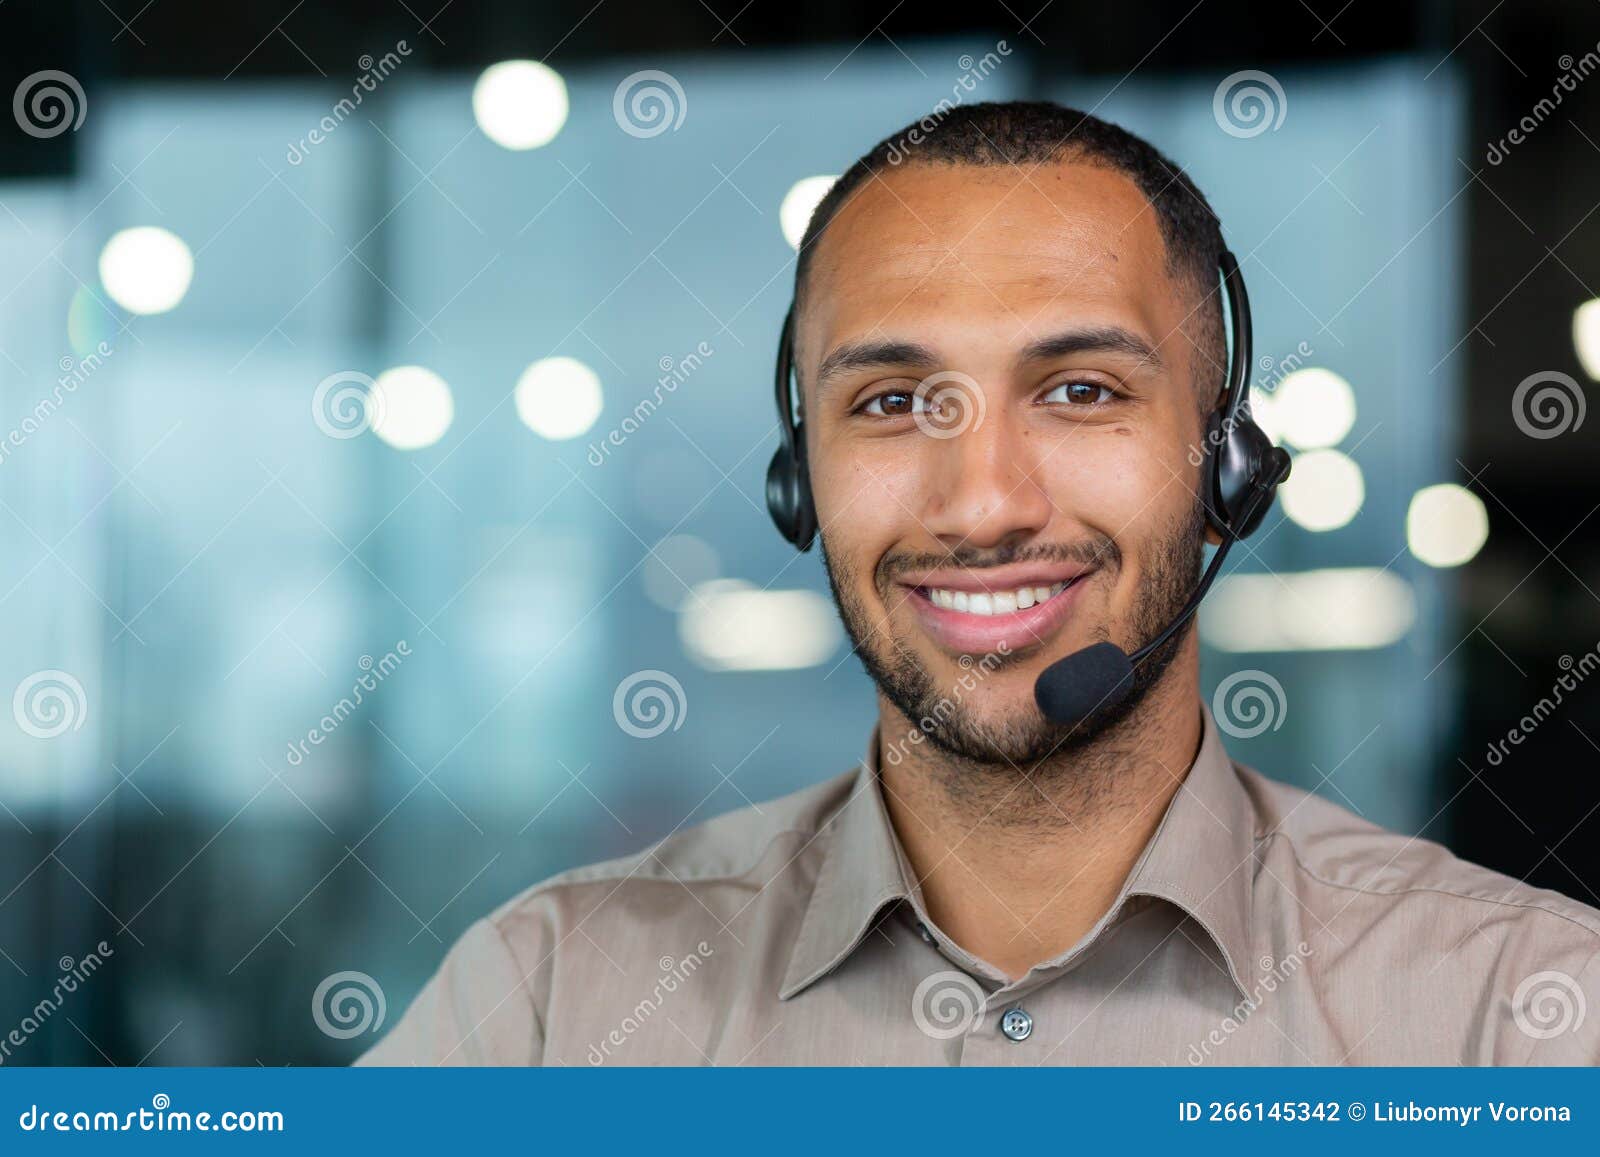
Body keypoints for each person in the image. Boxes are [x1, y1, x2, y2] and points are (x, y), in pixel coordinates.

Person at [360, 101, 1599, 1065]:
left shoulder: (1518, 1013)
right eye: (892, 403)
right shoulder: (545, 1000)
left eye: (1079, 391)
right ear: (800, 481)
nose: (981, 501)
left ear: (1226, 469)